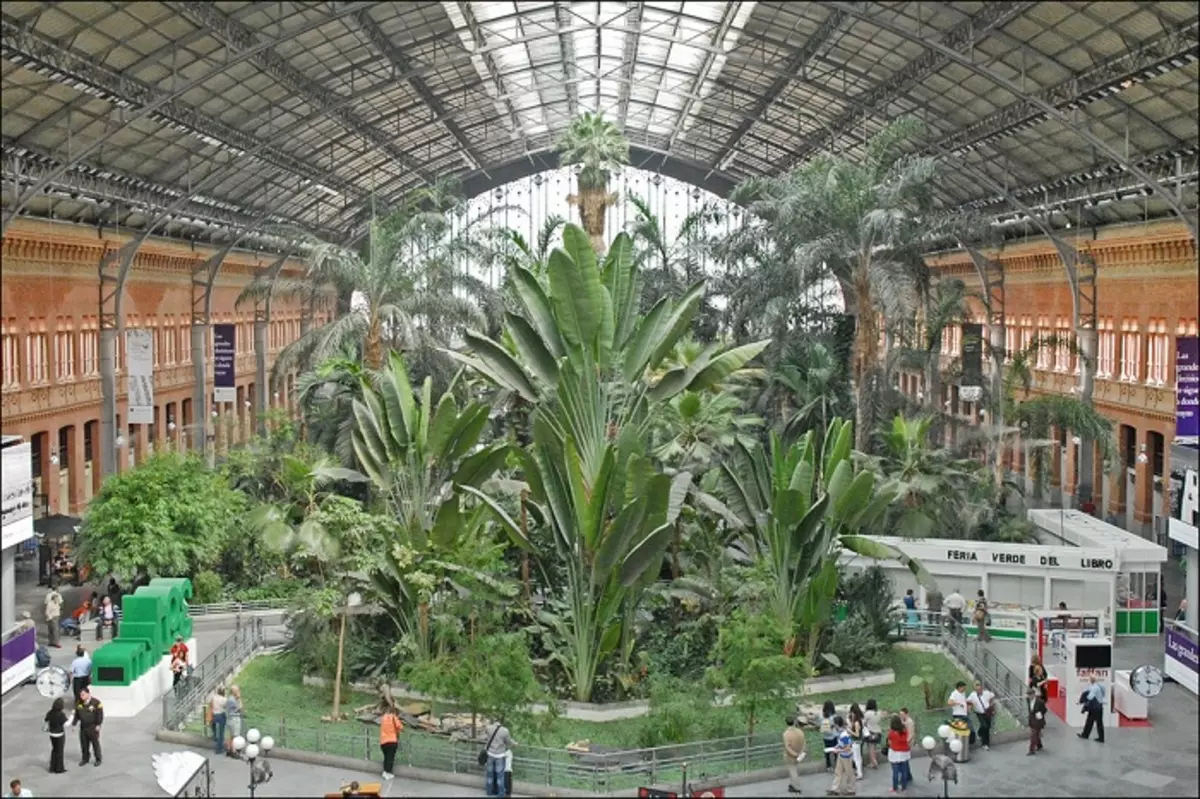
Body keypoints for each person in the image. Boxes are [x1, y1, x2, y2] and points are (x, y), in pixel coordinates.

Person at [484, 717, 515, 798]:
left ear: (493, 721)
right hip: (499, 755)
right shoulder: (505, 731)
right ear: (501, 722)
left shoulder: (489, 728)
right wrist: (515, 744)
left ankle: (489, 791)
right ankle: (501, 794)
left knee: (489, 775)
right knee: (500, 776)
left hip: (490, 754)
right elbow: (508, 742)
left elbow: (487, 737)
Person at [72, 687, 103, 767]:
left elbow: (100, 715)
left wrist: (98, 724)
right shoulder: (79, 703)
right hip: (83, 727)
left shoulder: (96, 703)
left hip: (92, 727)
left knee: (95, 744)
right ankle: (85, 758)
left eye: (83, 695)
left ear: (88, 694)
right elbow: (77, 714)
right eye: (80, 695)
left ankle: (98, 759)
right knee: (84, 744)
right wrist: (74, 724)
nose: (81, 697)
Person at [829, 715, 855, 796]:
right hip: (841, 755)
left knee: (848, 773)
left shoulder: (844, 734)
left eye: (834, 724)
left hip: (846, 756)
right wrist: (836, 747)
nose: (833, 726)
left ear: (837, 724)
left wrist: (838, 750)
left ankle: (851, 789)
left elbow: (848, 747)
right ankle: (834, 789)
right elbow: (841, 743)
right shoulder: (841, 732)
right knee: (838, 772)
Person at [1077, 672, 1106, 743]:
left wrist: (1082, 701)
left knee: (1091, 721)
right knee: (1097, 722)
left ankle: (1086, 734)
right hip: (1099, 706)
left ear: (1091, 680)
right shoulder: (1100, 686)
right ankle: (1099, 737)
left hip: (1094, 708)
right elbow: (1103, 693)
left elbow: (1090, 697)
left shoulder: (1094, 688)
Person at [886, 715, 911, 793]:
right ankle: (904, 788)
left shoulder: (892, 733)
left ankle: (895, 787)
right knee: (904, 771)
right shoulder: (904, 730)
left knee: (895, 772)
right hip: (904, 753)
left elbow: (889, 742)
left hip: (895, 754)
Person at [968, 680, 995, 750]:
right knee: (984, 726)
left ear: (982, 688)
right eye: (977, 689)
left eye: (980, 689)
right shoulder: (973, 695)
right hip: (979, 713)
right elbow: (968, 701)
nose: (979, 690)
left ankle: (984, 738)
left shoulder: (986, 693)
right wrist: (970, 706)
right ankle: (984, 743)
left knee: (988, 727)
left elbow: (992, 696)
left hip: (987, 711)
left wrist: (991, 703)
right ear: (975, 689)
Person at [783, 716, 807, 794]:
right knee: (794, 769)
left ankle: (796, 787)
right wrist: (801, 752)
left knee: (793, 771)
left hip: (790, 756)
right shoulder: (800, 732)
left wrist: (795, 754)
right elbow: (804, 743)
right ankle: (792, 785)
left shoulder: (786, 734)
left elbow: (787, 747)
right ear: (794, 722)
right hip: (799, 753)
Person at [44, 697, 68, 774]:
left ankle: (52, 767)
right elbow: (66, 723)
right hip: (59, 734)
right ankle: (59, 768)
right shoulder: (61, 714)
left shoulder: (50, 712)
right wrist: (72, 716)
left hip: (51, 734)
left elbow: (46, 720)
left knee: (54, 750)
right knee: (59, 752)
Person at [947, 681, 975, 746]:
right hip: (958, 715)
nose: (965, 689)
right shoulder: (954, 693)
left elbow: (964, 702)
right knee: (961, 731)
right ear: (959, 687)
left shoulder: (963, 693)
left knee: (970, 730)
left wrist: (967, 707)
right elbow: (949, 702)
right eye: (963, 688)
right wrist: (958, 703)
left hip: (965, 715)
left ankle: (969, 743)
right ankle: (960, 745)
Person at [379, 705, 402, 780]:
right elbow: (400, 727)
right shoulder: (394, 717)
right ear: (395, 712)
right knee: (390, 758)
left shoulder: (383, 718)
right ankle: (387, 773)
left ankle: (385, 772)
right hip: (392, 740)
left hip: (383, 741)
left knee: (386, 757)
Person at [1026, 685, 1047, 755]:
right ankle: (1039, 745)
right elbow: (1030, 710)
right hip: (1032, 719)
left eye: (1030, 695)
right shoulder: (1028, 701)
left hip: (1038, 720)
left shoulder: (1040, 701)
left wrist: (1040, 714)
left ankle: (1031, 750)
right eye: (1028, 695)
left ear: (1034, 694)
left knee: (1033, 735)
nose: (1029, 696)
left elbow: (1044, 710)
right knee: (1036, 733)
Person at [898, 708, 916, 787]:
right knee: (904, 760)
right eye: (900, 714)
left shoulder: (909, 722)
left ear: (906, 714)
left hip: (907, 743)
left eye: (902, 714)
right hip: (904, 742)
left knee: (903, 760)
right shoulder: (904, 721)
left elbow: (911, 734)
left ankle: (905, 776)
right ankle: (908, 775)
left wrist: (906, 742)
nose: (901, 716)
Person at [862, 699, 882, 770]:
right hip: (878, 732)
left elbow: (863, 722)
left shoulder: (867, 713)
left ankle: (873, 762)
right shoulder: (878, 712)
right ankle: (874, 761)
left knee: (870, 749)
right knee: (874, 748)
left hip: (871, 732)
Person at [847, 703, 865, 779]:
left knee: (856, 758)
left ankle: (859, 773)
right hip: (857, 742)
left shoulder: (857, 722)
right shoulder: (858, 721)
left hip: (856, 742)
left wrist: (850, 731)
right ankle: (859, 771)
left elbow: (857, 734)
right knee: (858, 757)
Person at [225, 686, 243, 756]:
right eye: (238, 690)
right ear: (234, 691)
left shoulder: (229, 699)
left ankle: (229, 749)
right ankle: (234, 751)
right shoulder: (233, 700)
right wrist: (239, 698)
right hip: (234, 720)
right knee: (235, 736)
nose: (239, 691)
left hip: (230, 719)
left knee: (231, 736)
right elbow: (241, 708)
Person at [820, 700, 838, 772]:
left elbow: (820, 725)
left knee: (827, 750)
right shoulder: (834, 716)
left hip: (825, 737)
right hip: (834, 736)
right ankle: (837, 764)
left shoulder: (822, 716)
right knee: (835, 750)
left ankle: (828, 765)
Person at [209, 687, 227, 755]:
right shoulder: (224, 699)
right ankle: (219, 749)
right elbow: (225, 707)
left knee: (213, 725)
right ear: (223, 692)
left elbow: (211, 704)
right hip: (221, 715)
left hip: (214, 714)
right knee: (221, 733)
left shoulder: (214, 697)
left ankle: (215, 736)